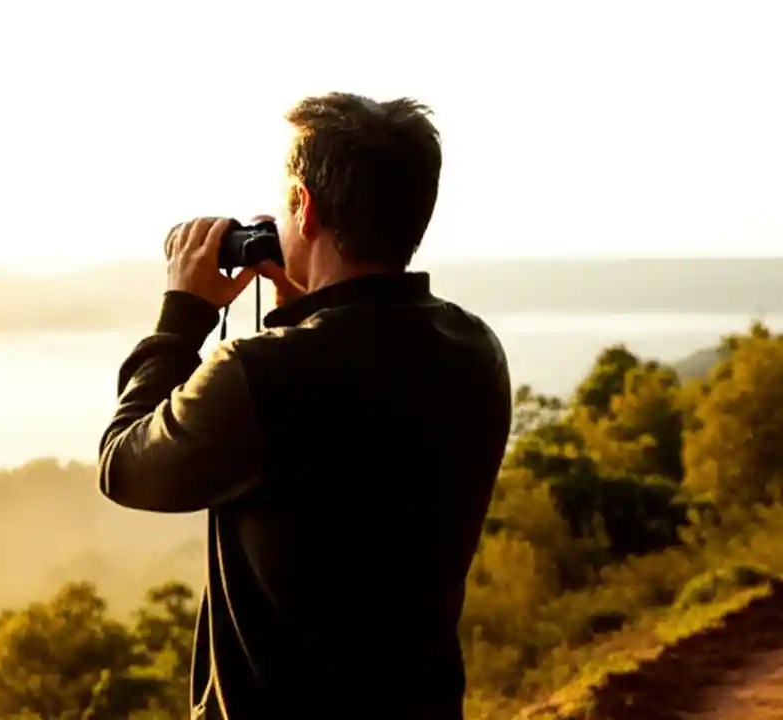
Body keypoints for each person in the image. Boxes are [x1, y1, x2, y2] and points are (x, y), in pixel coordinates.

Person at [97, 93, 512, 719]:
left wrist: (182, 315)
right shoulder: (474, 349)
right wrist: (308, 301)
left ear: (305, 207)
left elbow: (124, 465)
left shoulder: (261, 375)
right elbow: (362, 376)